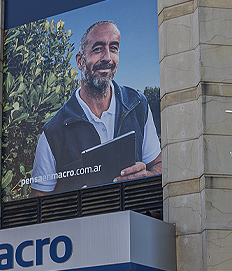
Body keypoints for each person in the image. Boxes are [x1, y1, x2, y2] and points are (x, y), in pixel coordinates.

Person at [30, 20, 162, 195]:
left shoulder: (138, 105)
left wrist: (146, 178)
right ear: (80, 61)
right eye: (98, 49)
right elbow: (38, 203)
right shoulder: (53, 132)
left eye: (113, 48)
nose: (107, 57)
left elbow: (158, 166)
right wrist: (75, 204)